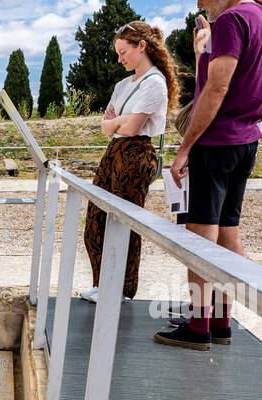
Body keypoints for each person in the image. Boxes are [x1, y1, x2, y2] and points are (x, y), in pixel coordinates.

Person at [159, 0, 262, 350]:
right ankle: (221, 319)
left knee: (200, 234)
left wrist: (185, 147)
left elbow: (216, 88)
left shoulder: (232, 20)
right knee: (229, 230)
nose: (199, 3)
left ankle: (198, 325)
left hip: (216, 139)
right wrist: (202, 52)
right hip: (246, 138)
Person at [80, 21, 177, 304]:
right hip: (114, 152)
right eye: (118, 54)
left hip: (135, 154)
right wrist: (116, 123)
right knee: (96, 221)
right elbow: (105, 126)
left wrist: (116, 122)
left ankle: (121, 289)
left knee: (124, 223)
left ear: (142, 46)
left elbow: (132, 128)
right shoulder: (124, 84)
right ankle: (102, 283)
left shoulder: (155, 83)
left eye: (124, 52)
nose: (120, 59)